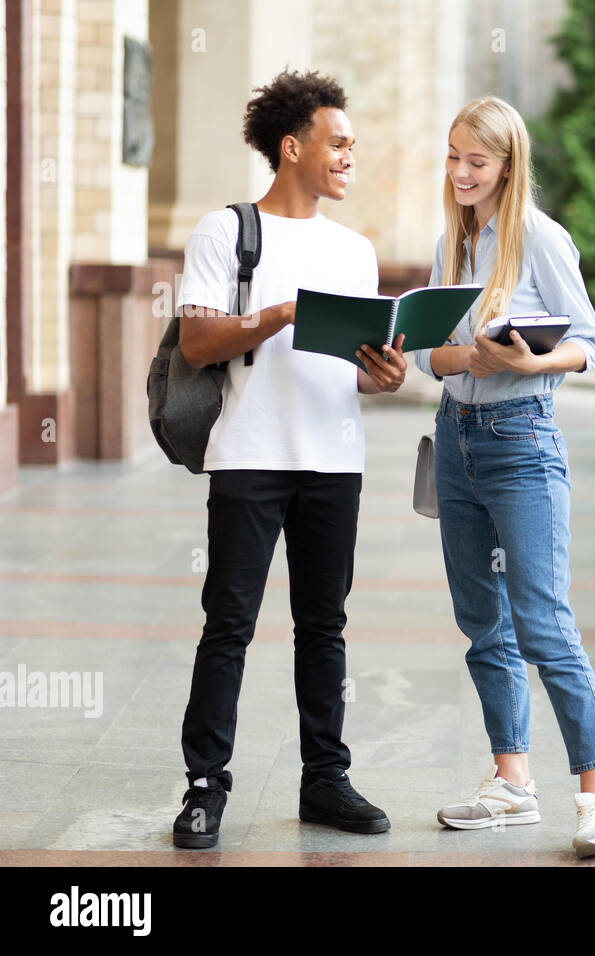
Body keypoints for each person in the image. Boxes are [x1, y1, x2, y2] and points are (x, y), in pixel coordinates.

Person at [172, 70, 404, 849]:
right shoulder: (226, 231)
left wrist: (384, 377)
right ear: (291, 146)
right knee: (228, 624)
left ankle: (325, 781)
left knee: (324, 626)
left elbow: (356, 371)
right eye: (338, 143)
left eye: (352, 146)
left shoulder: (355, 250)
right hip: (249, 455)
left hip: (334, 457)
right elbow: (200, 341)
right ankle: (205, 786)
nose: (349, 156)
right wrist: (277, 314)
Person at [409, 96, 595, 858]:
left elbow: (590, 344)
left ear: (508, 164)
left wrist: (533, 359)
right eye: (453, 156)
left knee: (543, 621)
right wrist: (464, 357)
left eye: (477, 160)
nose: (461, 172)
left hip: (521, 440)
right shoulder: (455, 242)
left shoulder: (538, 238)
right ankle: (512, 781)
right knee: (483, 621)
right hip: (455, 436)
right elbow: (422, 355)